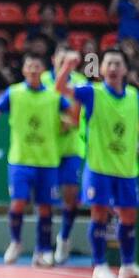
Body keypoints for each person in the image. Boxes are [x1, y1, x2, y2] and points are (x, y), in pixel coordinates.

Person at [55, 49, 139, 278]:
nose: (113, 68)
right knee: (99, 215)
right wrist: (67, 67)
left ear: (125, 70)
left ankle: (128, 265)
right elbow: (60, 89)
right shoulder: (92, 93)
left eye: (117, 64)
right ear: (102, 69)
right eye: (109, 64)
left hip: (126, 169)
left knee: (129, 216)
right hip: (99, 168)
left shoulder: (134, 96)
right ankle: (100, 265)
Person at [0, 52, 69, 267]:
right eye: (29, 66)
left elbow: (72, 117)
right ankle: (16, 242)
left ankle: (43, 250)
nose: (33, 70)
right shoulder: (14, 93)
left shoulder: (53, 96)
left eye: (37, 66)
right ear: (23, 70)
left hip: (47, 161)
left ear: (43, 70)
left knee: (46, 207)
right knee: (18, 203)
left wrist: (66, 124)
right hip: (20, 160)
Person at [42, 45, 89, 264]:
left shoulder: (80, 81)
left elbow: (79, 114)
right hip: (46, 149)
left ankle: (64, 237)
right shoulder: (42, 80)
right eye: (61, 61)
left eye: (69, 62)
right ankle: (45, 246)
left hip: (71, 147)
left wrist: (68, 122)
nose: (65, 65)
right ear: (53, 60)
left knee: (70, 197)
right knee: (48, 200)